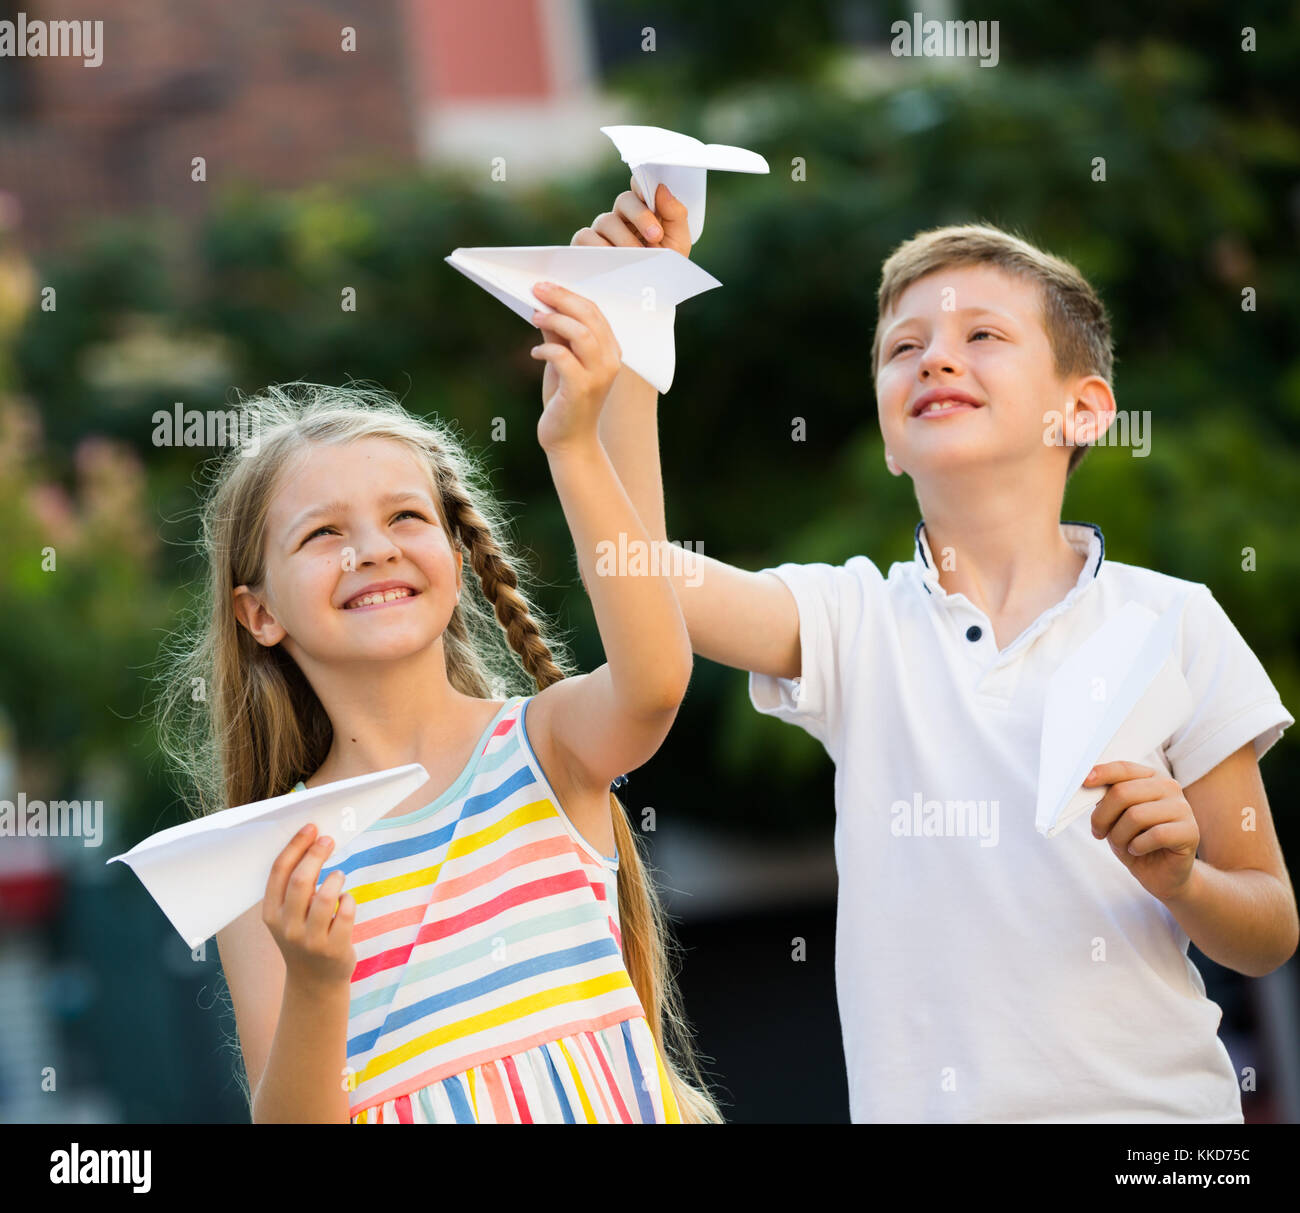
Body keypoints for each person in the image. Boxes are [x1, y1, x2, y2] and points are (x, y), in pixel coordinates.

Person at [554, 179, 1299, 1122]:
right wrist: (632, 330)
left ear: (1084, 408)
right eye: (904, 348)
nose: (936, 358)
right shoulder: (851, 618)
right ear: (891, 440)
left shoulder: (1175, 621)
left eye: (982, 335)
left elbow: (1269, 929)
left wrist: (1184, 877)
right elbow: (640, 574)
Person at [155, 288, 722, 1123]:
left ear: (457, 560)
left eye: (404, 516)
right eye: (322, 534)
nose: (373, 548)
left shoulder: (545, 746)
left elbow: (656, 679)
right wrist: (318, 983)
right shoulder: (269, 865)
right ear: (260, 612)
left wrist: (573, 443)